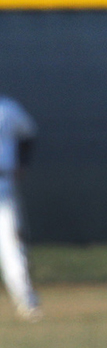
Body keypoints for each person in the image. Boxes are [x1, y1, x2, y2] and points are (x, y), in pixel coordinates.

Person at [0, 95, 41, 321]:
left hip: (3, 183)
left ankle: (26, 299)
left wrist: (23, 163)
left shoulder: (7, 109)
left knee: (11, 245)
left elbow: (28, 133)